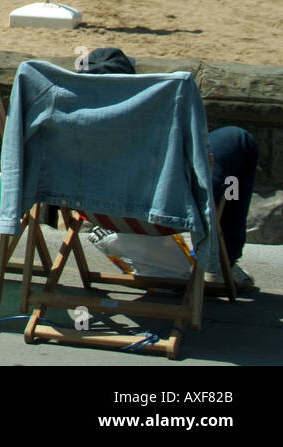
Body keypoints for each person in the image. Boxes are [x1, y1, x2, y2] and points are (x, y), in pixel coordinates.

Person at [78, 47, 257, 292]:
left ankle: (123, 237)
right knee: (239, 142)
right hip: (165, 213)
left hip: (93, 209)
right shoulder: (151, 111)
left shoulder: (66, 121)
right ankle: (223, 261)